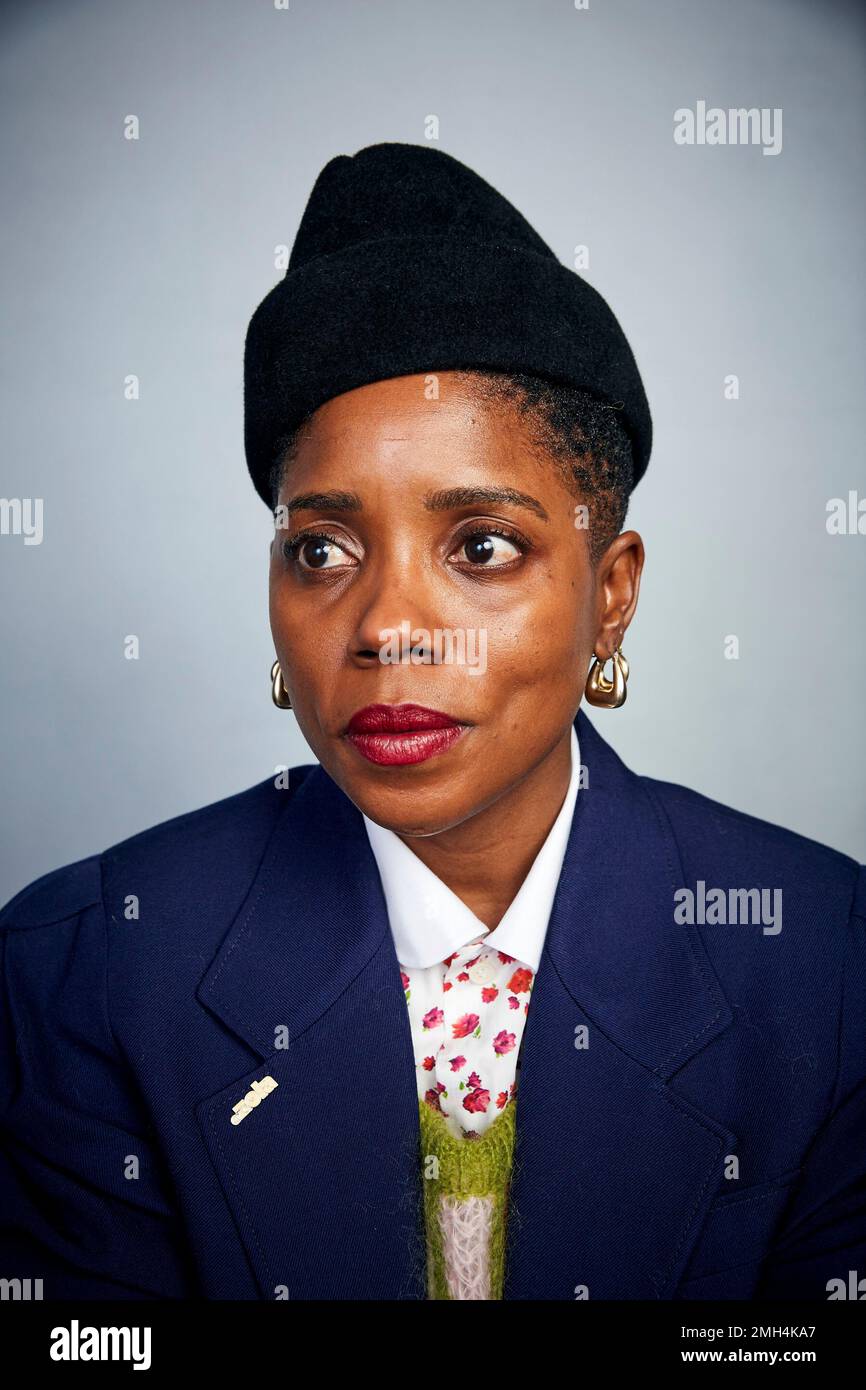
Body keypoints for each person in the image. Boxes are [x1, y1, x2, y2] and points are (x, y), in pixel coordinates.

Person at [1, 143, 863, 1302]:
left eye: (482, 547)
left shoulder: (826, 962)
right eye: (322, 549)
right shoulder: (88, 965)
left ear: (610, 594)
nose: (388, 628)